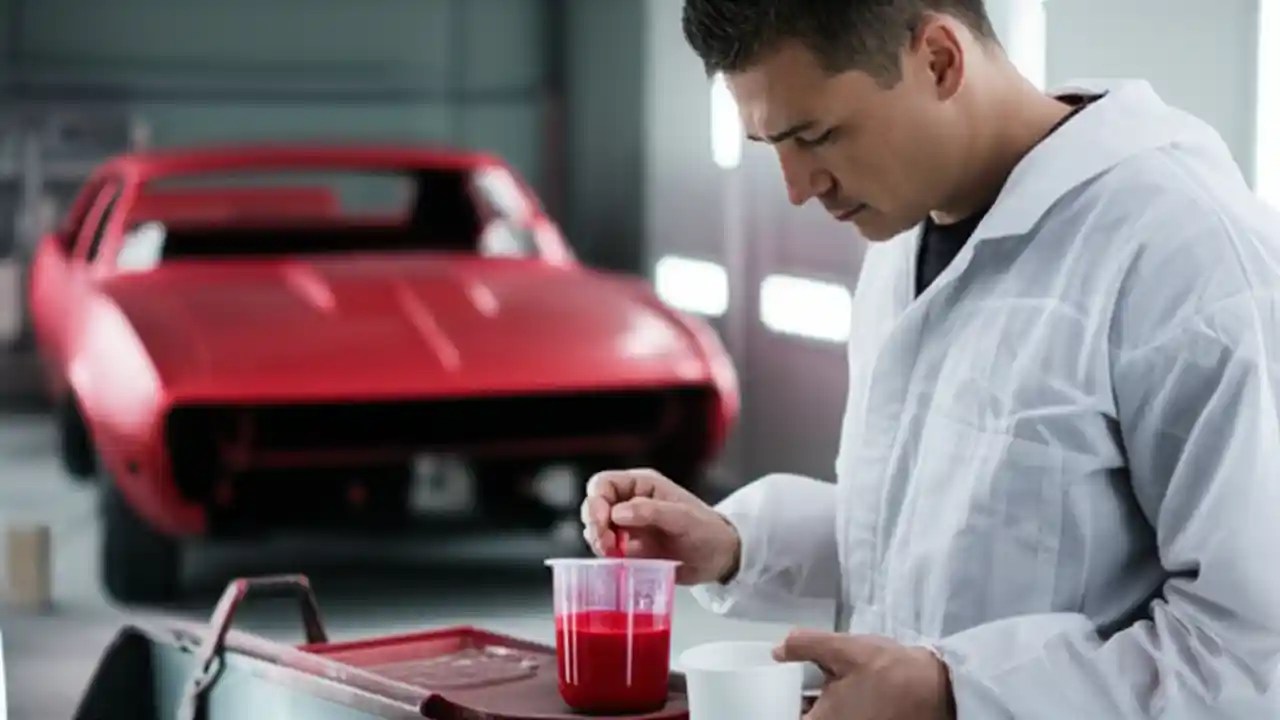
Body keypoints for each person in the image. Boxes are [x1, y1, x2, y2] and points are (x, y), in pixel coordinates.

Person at [580, 1, 1280, 718]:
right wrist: (735, 545)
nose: (797, 189)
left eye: (816, 135)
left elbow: (1251, 651)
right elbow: (928, 534)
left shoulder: (1188, 253)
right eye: (772, 147)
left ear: (940, 59)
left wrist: (955, 692)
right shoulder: (902, 242)